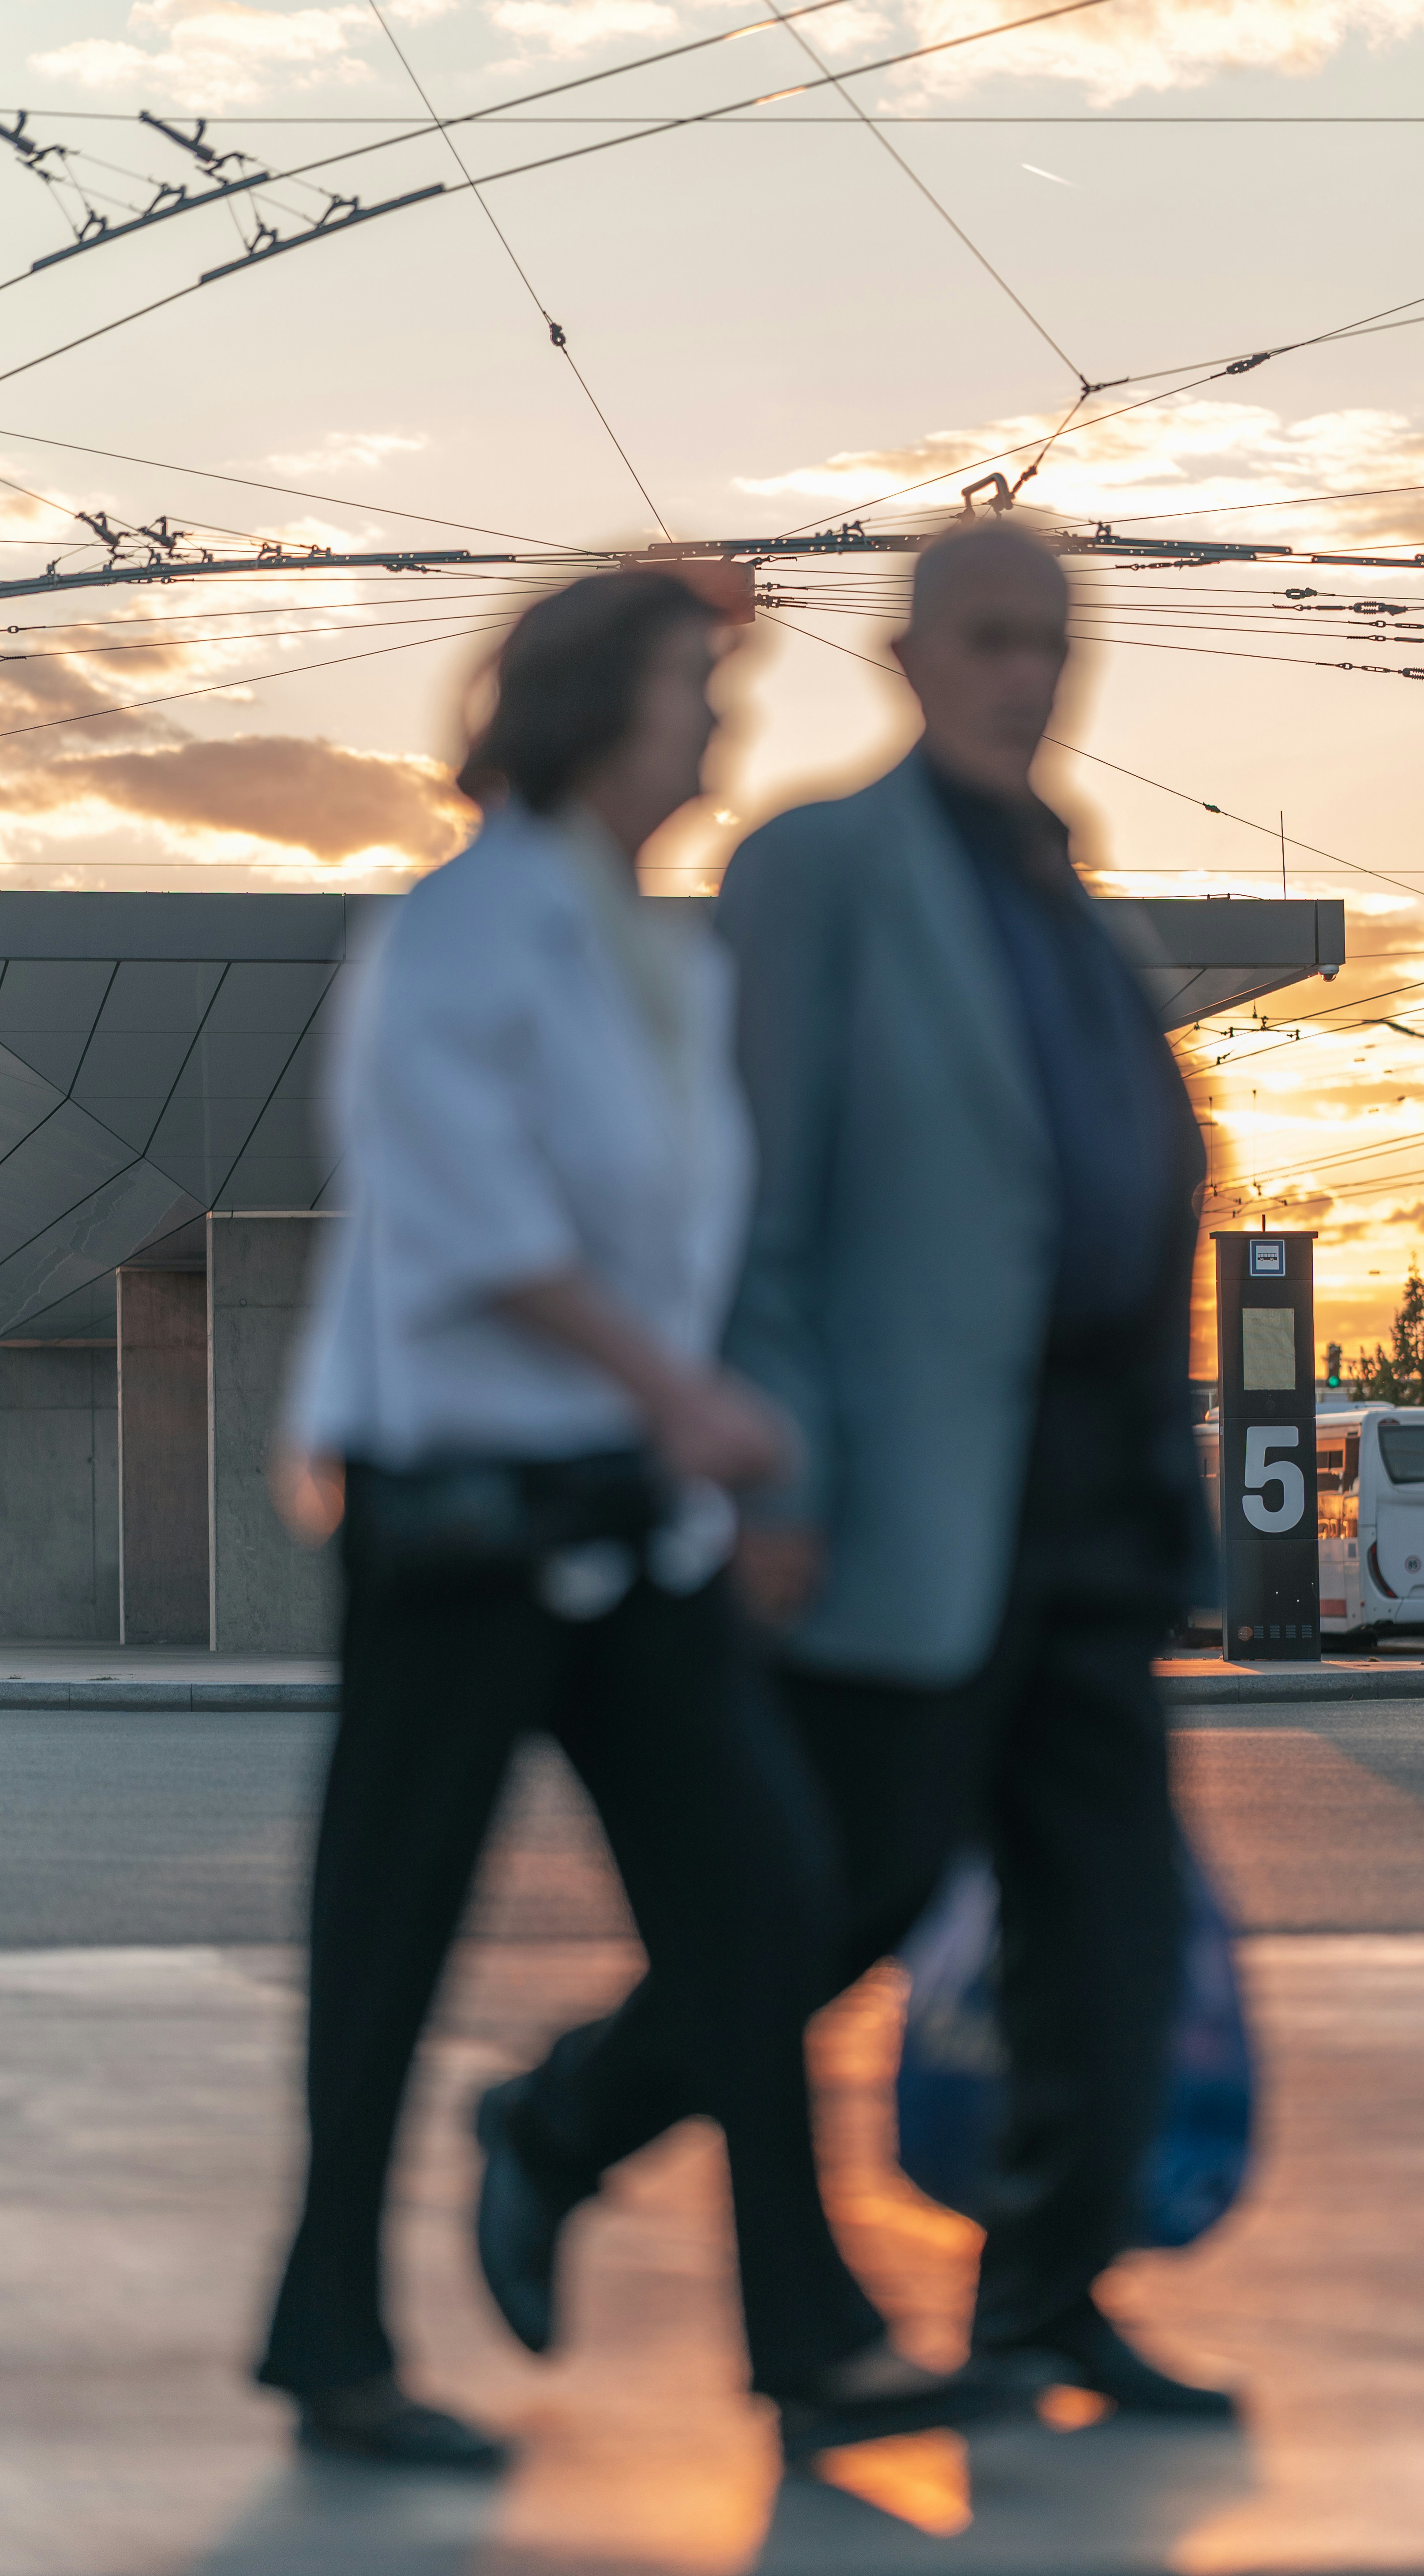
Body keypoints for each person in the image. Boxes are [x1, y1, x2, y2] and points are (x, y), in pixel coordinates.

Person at [258, 569, 1016, 2470]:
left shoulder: (662, 960)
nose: (720, 727)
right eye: (694, 688)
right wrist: (681, 1394)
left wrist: (697, 1438)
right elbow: (463, 1216)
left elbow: (687, 1243)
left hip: (638, 1530)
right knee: (394, 1927)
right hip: (460, 1518)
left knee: (761, 1896)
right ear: (595, 706)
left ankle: (809, 2334)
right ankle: (331, 2345)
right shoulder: (466, 928)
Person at [476, 523, 1229, 2419]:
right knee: (847, 1898)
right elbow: (759, 1197)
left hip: (1089, 1496)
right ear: (907, 655)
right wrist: (778, 1481)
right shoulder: (822, 867)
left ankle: (1044, 2299)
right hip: (899, 1492)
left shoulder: (1069, 891)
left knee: (1108, 1916)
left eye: (1051, 643)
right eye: (985, 639)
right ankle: (564, 2120)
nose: (1021, 674)